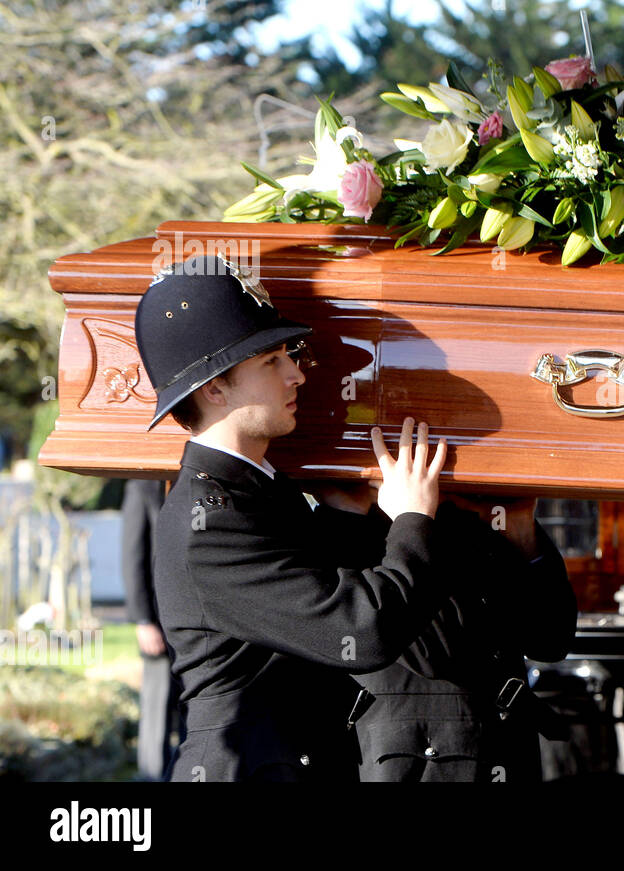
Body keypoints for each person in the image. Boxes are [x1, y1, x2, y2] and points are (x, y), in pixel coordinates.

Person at [137, 255, 458, 782]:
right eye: (270, 361)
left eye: (290, 355)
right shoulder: (211, 523)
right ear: (214, 388)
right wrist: (412, 519)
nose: (297, 373)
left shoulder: (257, 490)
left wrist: (347, 519)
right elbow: (361, 629)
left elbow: (309, 592)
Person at [314, 488, 576, 782]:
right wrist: (418, 514)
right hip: (422, 760)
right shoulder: (353, 520)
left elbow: (552, 639)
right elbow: (433, 652)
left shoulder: (475, 513)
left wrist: (521, 529)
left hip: (496, 749)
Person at [120, 477, 185, 780]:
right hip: (157, 624)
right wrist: (143, 620)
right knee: (157, 713)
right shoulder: (141, 486)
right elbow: (132, 555)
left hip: (194, 628)